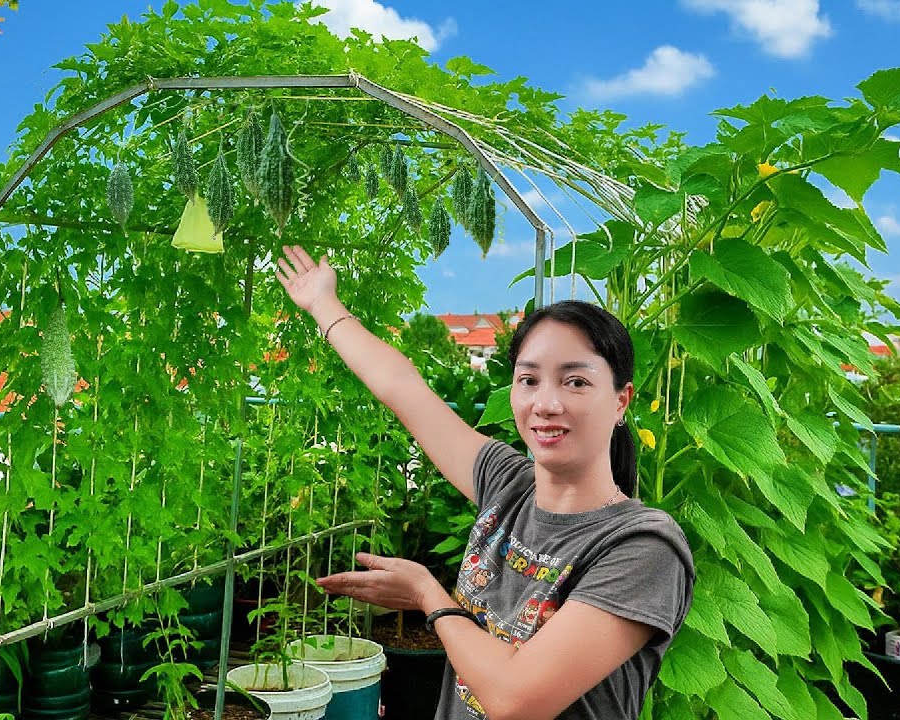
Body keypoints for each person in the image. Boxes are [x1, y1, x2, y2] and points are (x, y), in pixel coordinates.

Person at [274, 246, 694, 720]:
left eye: (575, 382)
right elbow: (404, 389)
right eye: (528, 380)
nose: (545, 404)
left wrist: (428, 595)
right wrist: (324, 304)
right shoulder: (507, 484)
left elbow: (514, 700)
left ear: (621, 401)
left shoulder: (644, 548)